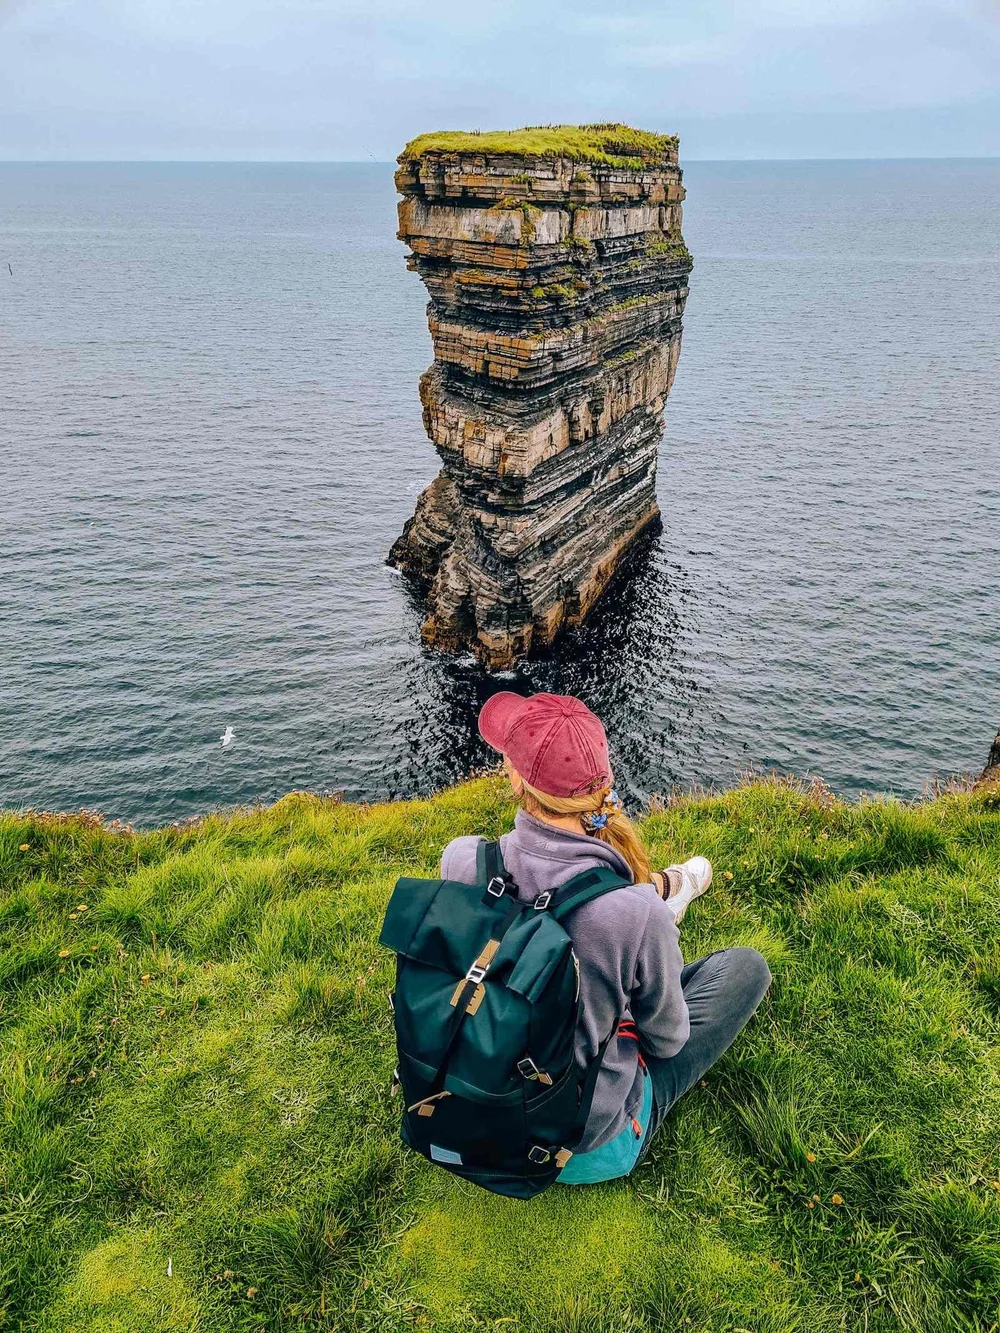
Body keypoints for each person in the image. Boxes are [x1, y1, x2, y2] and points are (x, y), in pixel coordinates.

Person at [439, 690, 772, 1185]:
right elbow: (667, 1040)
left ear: (516, 778)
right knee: (746, 968)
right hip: (582, 1150)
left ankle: (664, 897)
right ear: (603, 783)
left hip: (473, 1112)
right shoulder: (632, 914)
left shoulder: (462, 860)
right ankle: (667, 894)